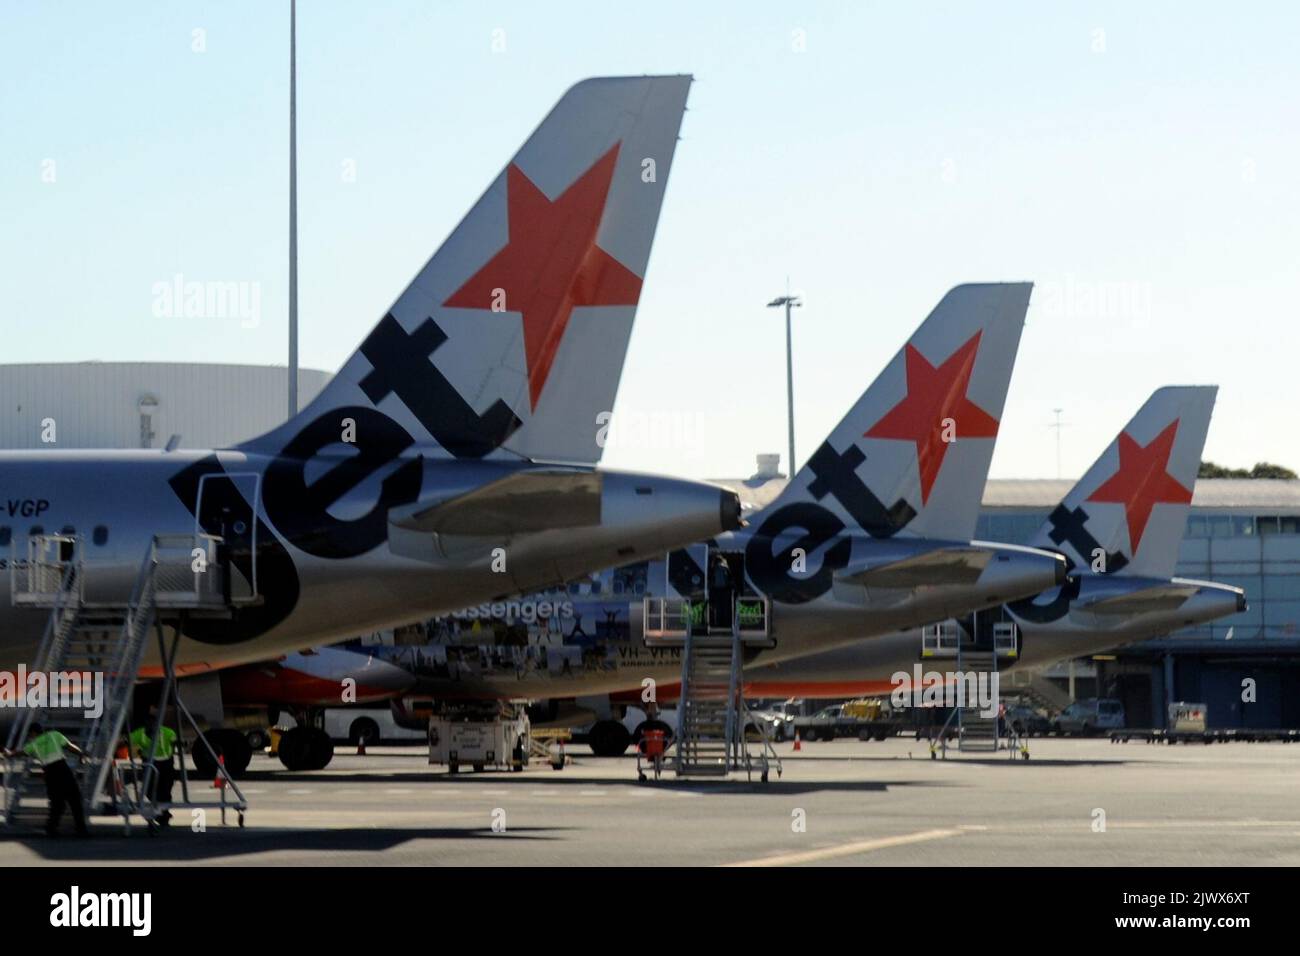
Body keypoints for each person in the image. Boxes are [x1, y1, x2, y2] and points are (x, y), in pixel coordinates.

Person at [3, 722, 89, 836]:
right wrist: (81, 753)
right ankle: (81, 829)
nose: (30, 736)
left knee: (56, 803)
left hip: (50, 773)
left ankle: (51, 829)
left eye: (30, 734)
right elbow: (69, 746)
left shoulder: (33, 743)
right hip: (63, 769)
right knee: (75, 799)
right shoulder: (54, 735)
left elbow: (21, 753)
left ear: (33, 733)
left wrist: (9, 754)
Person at [128, 720, 178, 826]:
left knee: (165, 788)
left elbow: (174, 743)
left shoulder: (167, 732)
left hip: (166, 762)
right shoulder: (140, 733)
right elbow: (128, 740)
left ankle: (164, 814)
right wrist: (137, 751)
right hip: (149, 762)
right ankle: (159, 810)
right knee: (149, 789)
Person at [709, 553, 735, 631]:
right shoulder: (726, 568)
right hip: (725, 590)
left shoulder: (713, 569)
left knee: (718, 607)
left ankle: (718, 622)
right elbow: (731, 579)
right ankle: (726, 622)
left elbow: (711, 580)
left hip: (717, 590)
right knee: (725, 607)